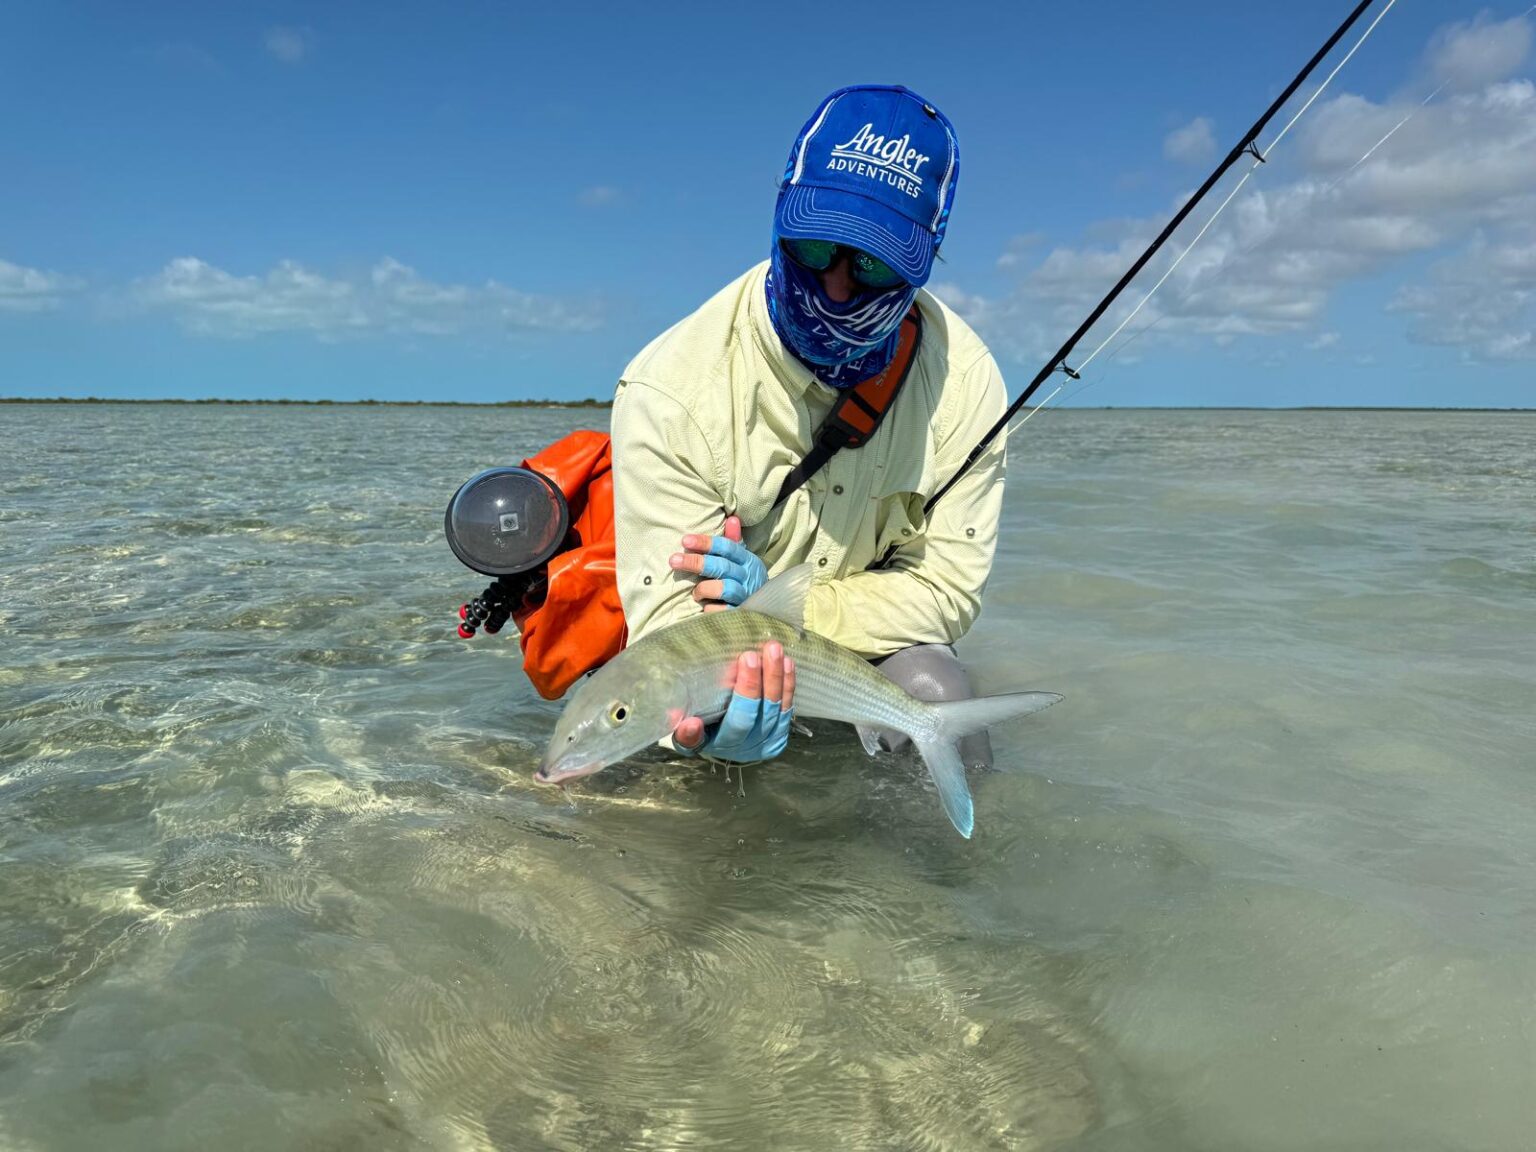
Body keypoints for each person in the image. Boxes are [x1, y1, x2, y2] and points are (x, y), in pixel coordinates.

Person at [610, 84, 1007, 766]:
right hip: (715, 656)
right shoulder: (670, 390)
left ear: (926, 262)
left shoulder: (964, 383)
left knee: (943, 703)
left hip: (863, 654)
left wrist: (788, 610)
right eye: (816, 245)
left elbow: (946, 592)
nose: (837, 287)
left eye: (875, 263)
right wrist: (709, 729)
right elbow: (667, 636)